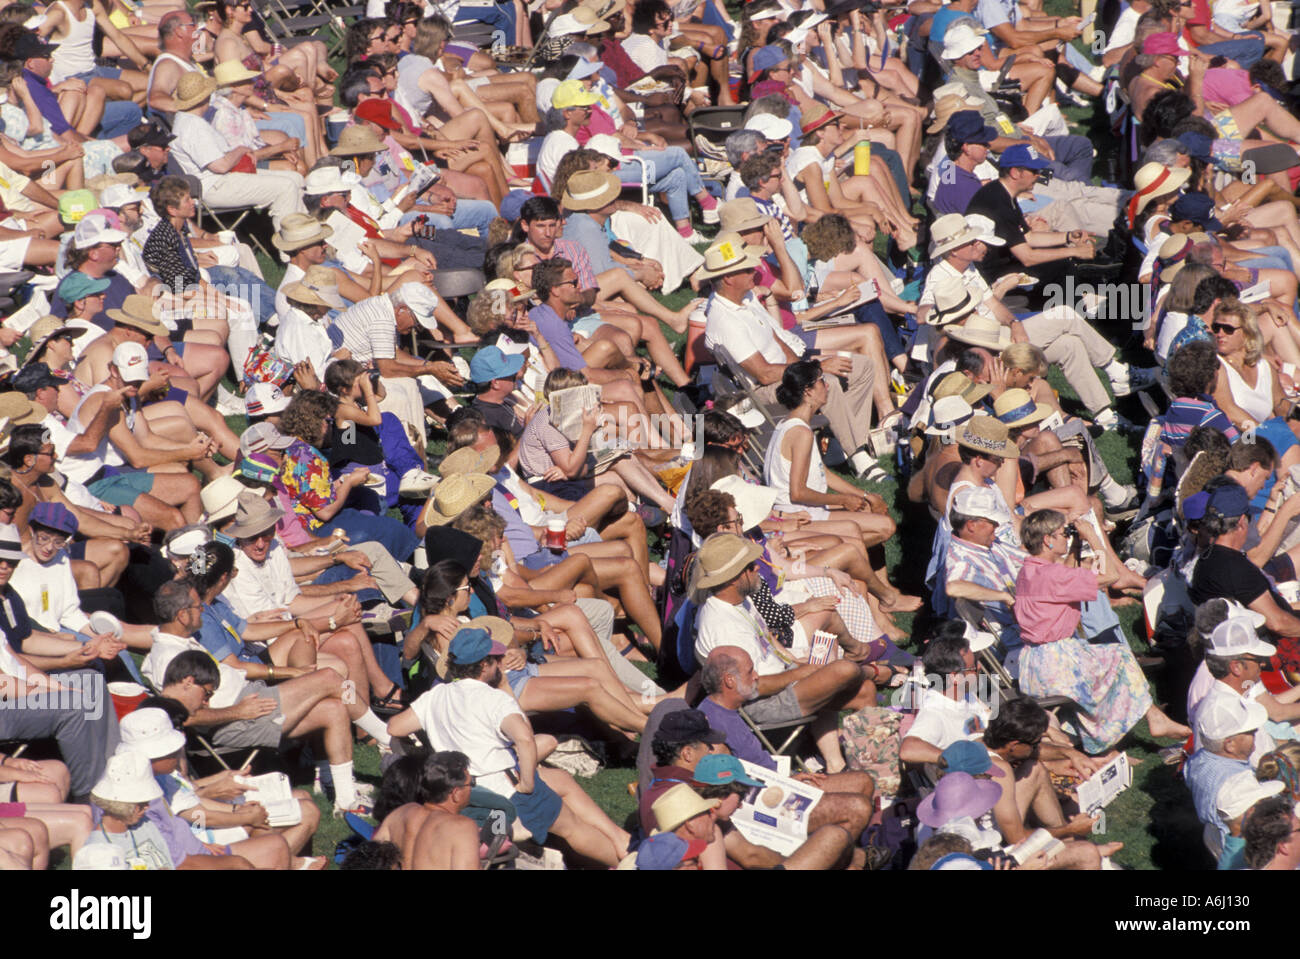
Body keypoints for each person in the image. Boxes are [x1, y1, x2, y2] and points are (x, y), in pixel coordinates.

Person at [387, 626, 632, 866]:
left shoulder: (436, 695)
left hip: (461, 791)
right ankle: (628, 862)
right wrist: (526, 782)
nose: (500, 662)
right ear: (484, 665)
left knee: (558, 778)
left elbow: (394, 727)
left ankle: (619, 839)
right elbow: (525, 737)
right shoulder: (494, 700)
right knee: (573, 828)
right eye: (496, 659)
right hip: (505, 794)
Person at [692, 532, 878, 772]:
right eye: (751, 566)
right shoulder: (723, 627)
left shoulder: (740, 601)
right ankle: (872, 671)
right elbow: (752, 688)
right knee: (845, 670)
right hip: (760, 702)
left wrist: (795, 662)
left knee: (865, 690)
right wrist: (805, 672)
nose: (758, 569)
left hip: (780, 679)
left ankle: (858, 767)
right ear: (733, 579)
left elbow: (766, 637)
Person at [1015, 508, 1190, 752]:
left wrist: (1076, 544)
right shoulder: (1052, 576)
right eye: (1062, 534)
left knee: (1116, 656)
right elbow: (1111, 576)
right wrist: (1094, 538)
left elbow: (1067, 574)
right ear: (1048, 540)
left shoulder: (1030, 570)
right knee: (1121, 657)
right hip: (1058, 665)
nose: (1066, 536)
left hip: (1035, 664)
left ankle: (1149, 722)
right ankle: (1125, 734)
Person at [372, 750, 481, 870]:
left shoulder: (400, 813)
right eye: (471, 783)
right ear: (456, 793)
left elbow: (371, 860)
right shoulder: (463, 827)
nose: (471, 788)